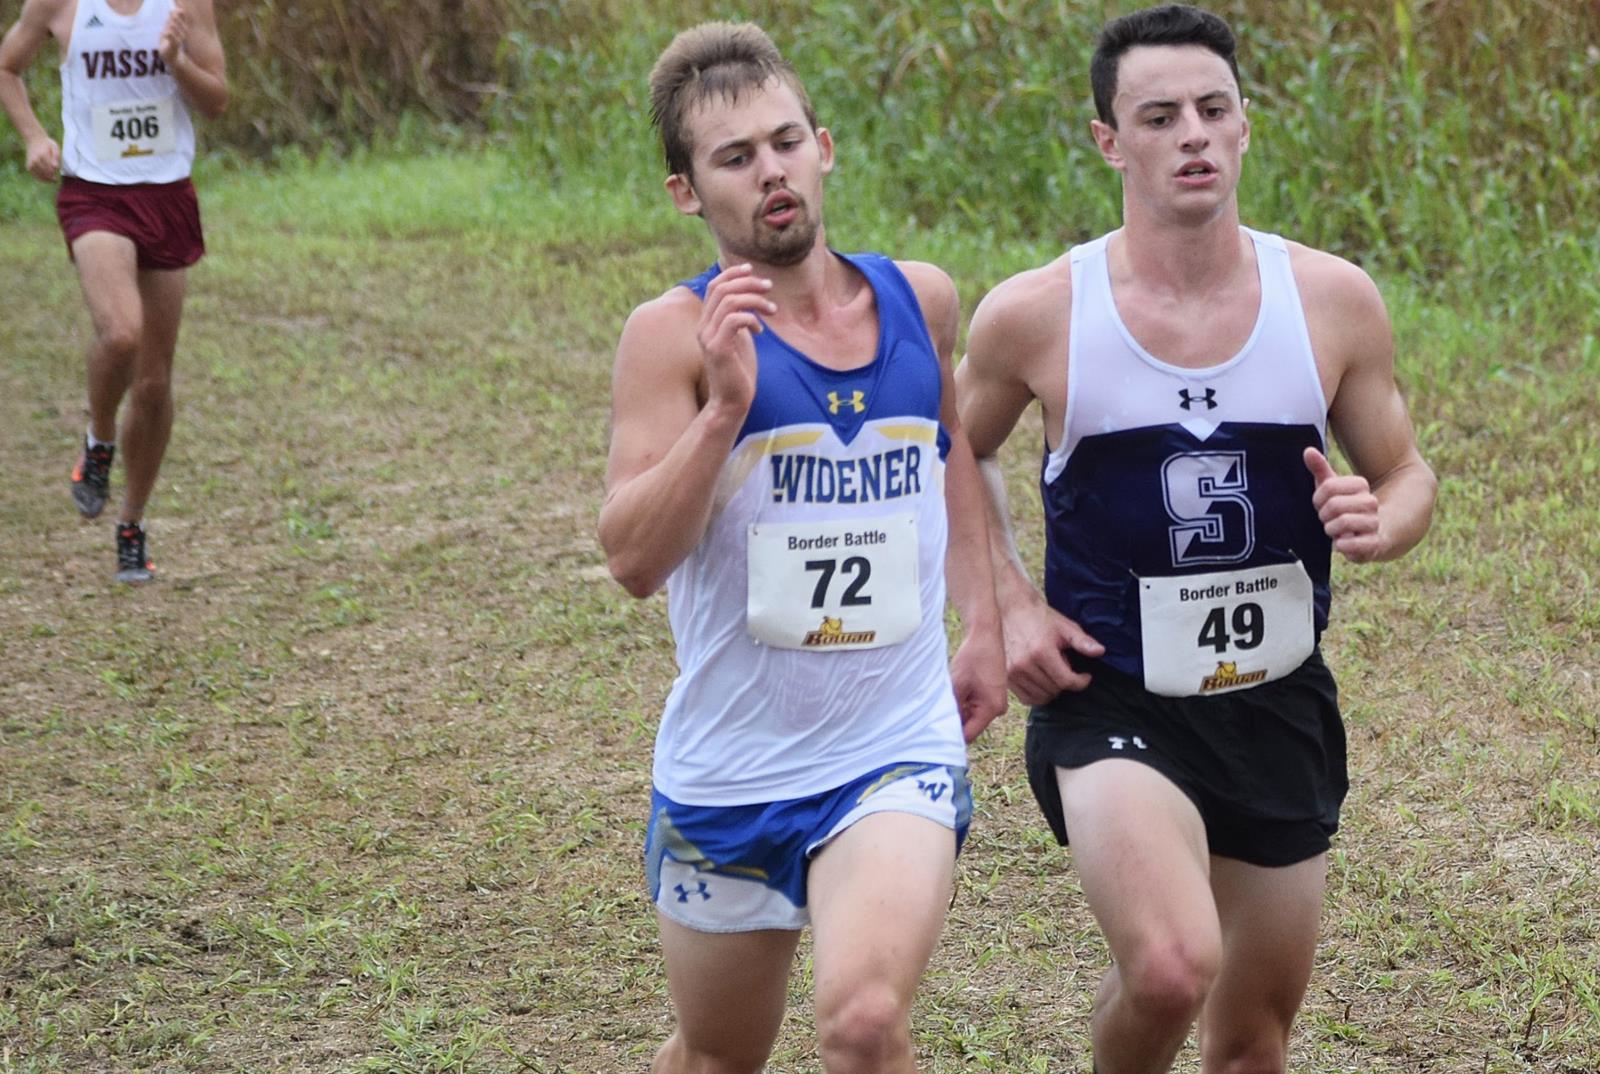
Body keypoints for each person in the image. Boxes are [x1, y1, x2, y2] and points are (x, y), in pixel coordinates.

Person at [954, 5, 1436, 1072]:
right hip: (1112, 698)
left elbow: (1405, 473)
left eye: (1214, 111)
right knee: (1172, 967)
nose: (1193, 136)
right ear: (1107, 140)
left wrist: (1380, 519)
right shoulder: (1038, 313)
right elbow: (948, 449)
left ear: (1246, 125)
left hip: (1277, 701)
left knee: (1251, 1042)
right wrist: (1005, 606)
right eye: (1160, 116)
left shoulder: (1330, 301)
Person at [599, 22, 1007, 1074]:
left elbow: (948, 446)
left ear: (823, 147)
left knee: (863, 1023)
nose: (769, 173)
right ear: (687, 192)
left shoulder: (920, 298)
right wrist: (722, 408)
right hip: (730, 768)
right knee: (716, 1054)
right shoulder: (670, 336)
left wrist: (987, 621)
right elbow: (634, 560)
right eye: (734, 158)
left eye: (784, 142)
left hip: (892, 748)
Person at [0, 0, 227, 582]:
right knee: (122, 332)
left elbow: (218, 100)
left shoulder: (184, 6)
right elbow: (7, 66)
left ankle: (132, 524)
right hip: (94, 191)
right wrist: (33, 136)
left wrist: (175, 59)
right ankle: (98, 440)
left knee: (153, 385)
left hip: (167, 195)